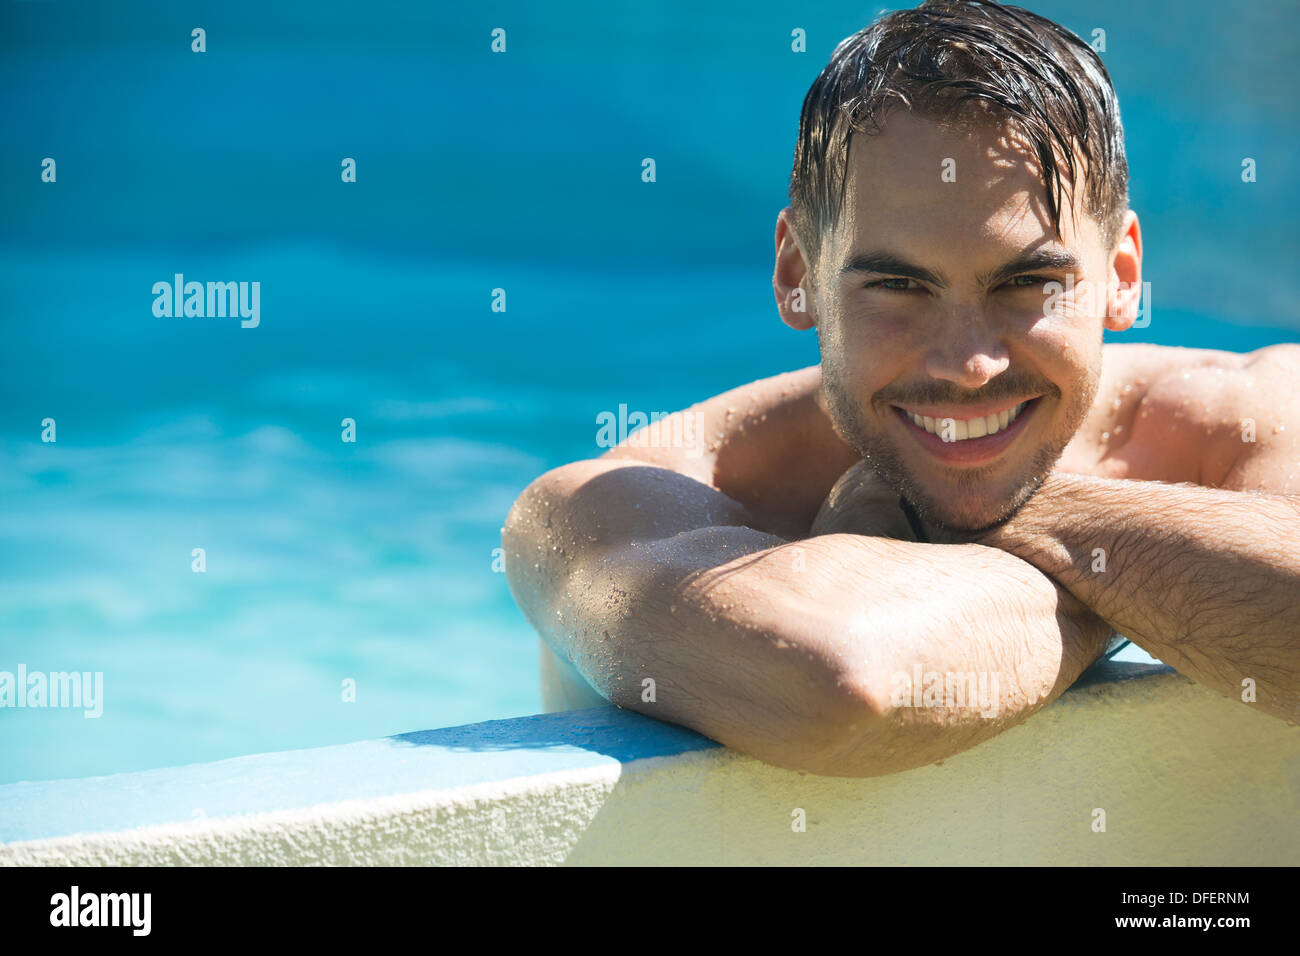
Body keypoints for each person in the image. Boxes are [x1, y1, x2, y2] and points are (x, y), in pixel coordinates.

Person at [503, 0, 1300, 776]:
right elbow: (844, 683)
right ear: (797, 275)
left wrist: (1042, 522)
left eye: (1026, 282)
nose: (967, 364)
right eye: (897, 286)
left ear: (1122, 276)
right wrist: (1159, 580)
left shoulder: (1254, 408)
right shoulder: (619, 501)